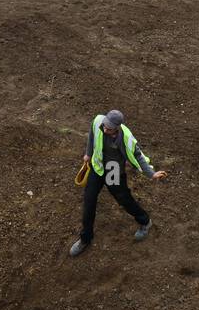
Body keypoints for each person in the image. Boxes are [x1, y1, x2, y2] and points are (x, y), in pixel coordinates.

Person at [70, 110, 167, 257]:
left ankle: (145, 221)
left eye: (109, 129)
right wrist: (88, 153)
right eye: (105, 126)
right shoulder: (99, 122)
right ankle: (85, 238)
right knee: (89, 202)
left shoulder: (126, 138)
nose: (105, 129)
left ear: (117, 128)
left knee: (123, 199)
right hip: (98, 168)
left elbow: (138, 156)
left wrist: (151, 174)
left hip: (113, 170)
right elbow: (92, 134)